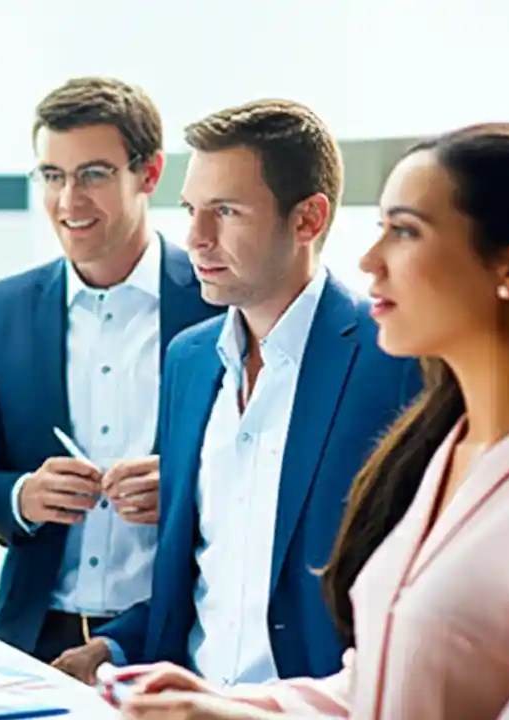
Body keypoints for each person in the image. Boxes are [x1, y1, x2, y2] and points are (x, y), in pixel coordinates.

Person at [112, 123, 509, 720]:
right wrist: (228, 707)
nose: (369, 259)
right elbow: (379, 681)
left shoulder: (401, 380)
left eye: (405, 231)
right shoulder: (455, 447)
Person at [51, 99, 420, 685]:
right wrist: (113, 648)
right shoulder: (190, 360)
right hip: (185, 703)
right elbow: (204, 575)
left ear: (308, 220)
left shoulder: (396, 361)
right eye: (191, 210)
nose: (196, 238)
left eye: (225, 212)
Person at [0, 76, 221, 662]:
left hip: (174, 639)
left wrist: (182, 492)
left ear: (149, 174)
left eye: (93, 174)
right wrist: (23, 496)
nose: (69, 201)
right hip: (34, 638)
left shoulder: (215, 306)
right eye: (53, 176)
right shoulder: (2, 310)